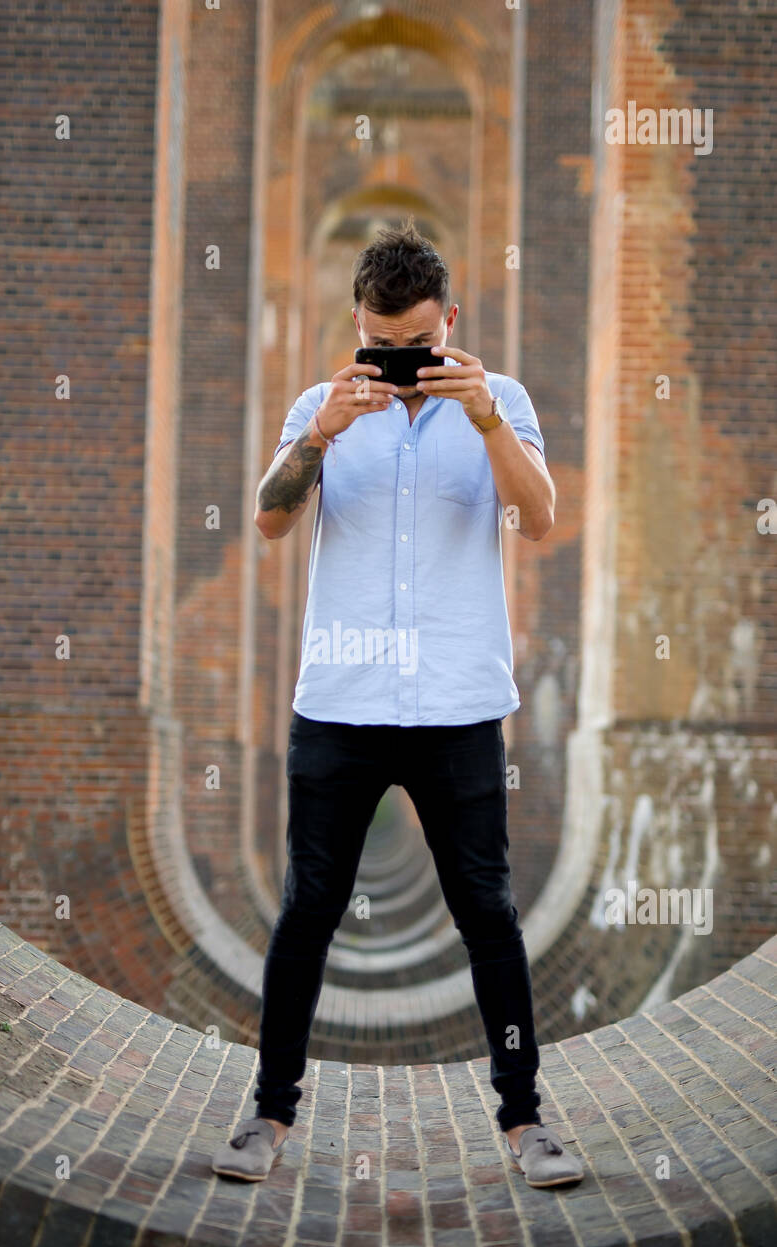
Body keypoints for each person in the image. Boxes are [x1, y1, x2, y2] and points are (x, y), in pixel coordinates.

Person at [212, 218, 584, 1190]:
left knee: (488, 916)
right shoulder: (320, 405)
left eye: (417, 346)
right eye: (381, 346)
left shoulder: (497, 402)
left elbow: (538, 517)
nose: (399, 363)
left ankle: (524, 1118)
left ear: (449, 322)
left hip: (458, 703)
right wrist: (324, 432)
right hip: (340, 698)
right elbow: (268, 518)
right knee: (306, 914)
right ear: (356, 326)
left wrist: (486, 421)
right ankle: (268, 1112)